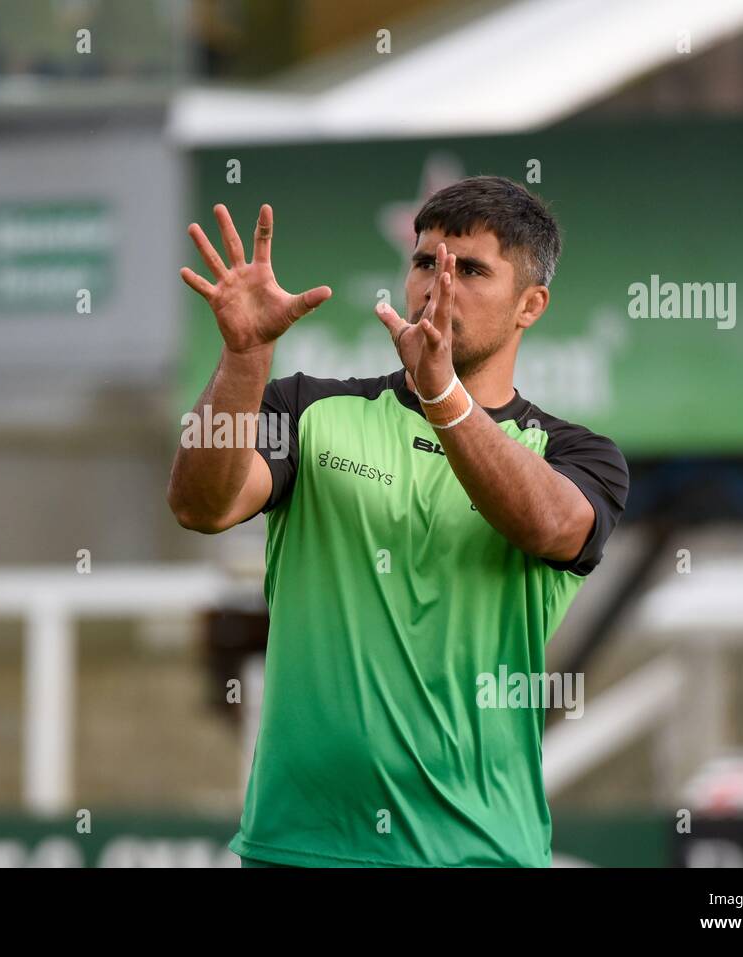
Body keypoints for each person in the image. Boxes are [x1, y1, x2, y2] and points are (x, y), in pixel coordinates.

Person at [168, 175, 629, 867]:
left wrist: (442, 396)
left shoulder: (575, 453)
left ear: (531, 304)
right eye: (424, 262)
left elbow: (550, 524)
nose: (437, 285)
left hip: (479, 853)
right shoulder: (307, 409)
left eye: (470, 269)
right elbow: (200, 505)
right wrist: (244, 358)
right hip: (298, 849)